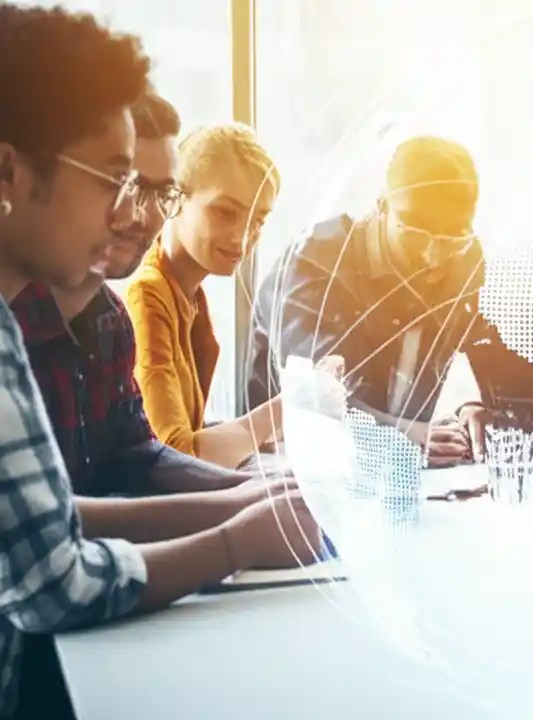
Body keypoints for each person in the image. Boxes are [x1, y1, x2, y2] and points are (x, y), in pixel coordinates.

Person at [0, 8, 319, 717]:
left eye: (149, 190)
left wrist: (243, 498)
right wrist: (235, 534)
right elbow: (53, 578)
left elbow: (88, 488)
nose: (129, 215)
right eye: (112, 180)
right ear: (10, 171)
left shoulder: (103, 315)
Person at [11, 89, 256, 500]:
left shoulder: (112, 318)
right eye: (126, 185)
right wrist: (235, 513)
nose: (141, 214)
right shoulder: (15, 320)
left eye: (164, 194)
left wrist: (253, 491)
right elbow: (50, 517)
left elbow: (139, 454)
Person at [248, 135, 488, 465]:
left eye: (452, 239)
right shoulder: (313, 265)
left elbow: (469, 349)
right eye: (415, 234)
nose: (433, 257)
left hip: (403, 471)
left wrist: (470, 405)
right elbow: (314, 400)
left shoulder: (463, 258)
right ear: (381, 206)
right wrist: (406, 436)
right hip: (286, 464)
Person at [125, 122, 285, 469]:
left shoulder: (188, 294)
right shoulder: (147, 294)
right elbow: (173, 456)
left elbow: (188, 433)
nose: (243, 239)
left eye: (258, 220)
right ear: (176, 198)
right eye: (225, 213)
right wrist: (280, 411)